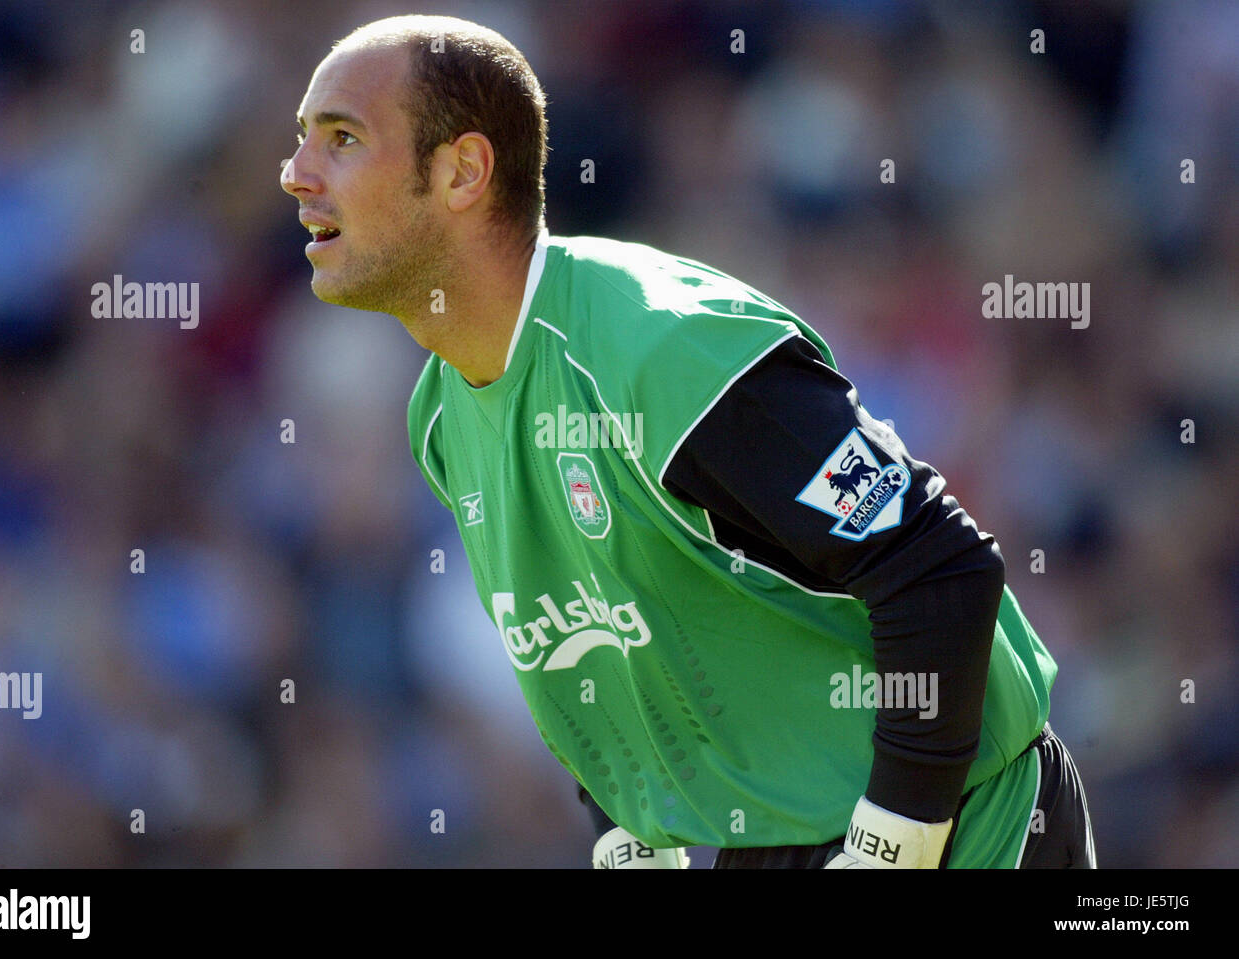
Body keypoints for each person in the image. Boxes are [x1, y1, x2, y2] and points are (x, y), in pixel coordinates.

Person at [280, 14, 1096, 869]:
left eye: (341, 138)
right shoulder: (441, 419)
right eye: (303, 141)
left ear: (463, 172)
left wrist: (892, 845)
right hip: (779, 843)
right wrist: (629, 838)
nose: (296, 175)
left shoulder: (659, 349)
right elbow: (596, 647)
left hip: (965, 824)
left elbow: (940, 573)